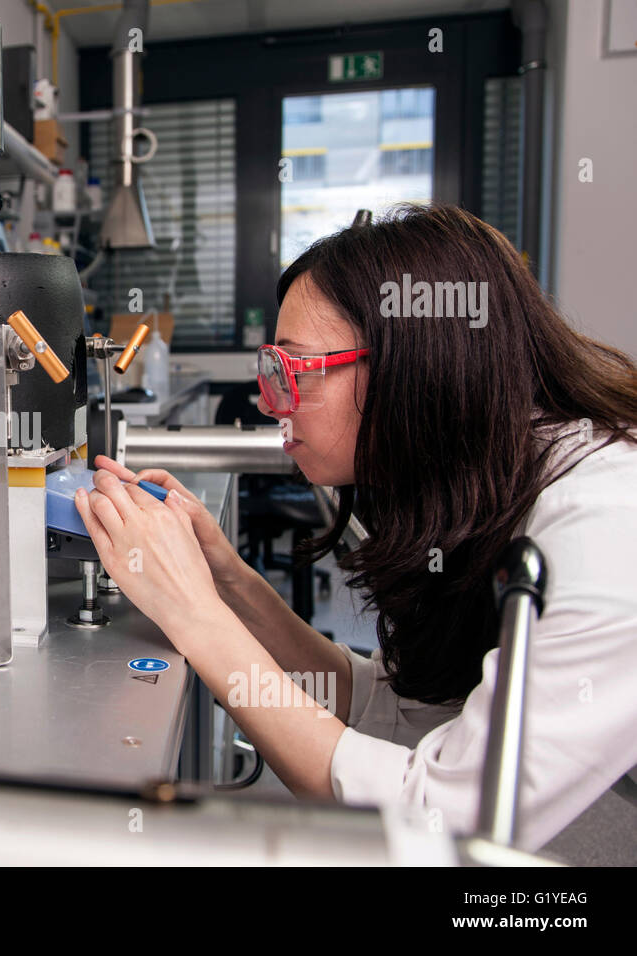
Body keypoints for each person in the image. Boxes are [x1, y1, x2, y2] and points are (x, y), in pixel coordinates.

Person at [75, 204, 637, 855]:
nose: (266, 402)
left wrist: (196, 617)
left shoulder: (604, 528)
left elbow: (443, 828)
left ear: (413, 366)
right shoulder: (481, 477)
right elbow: (403, 713)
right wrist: (229, 581)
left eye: (292, 371)